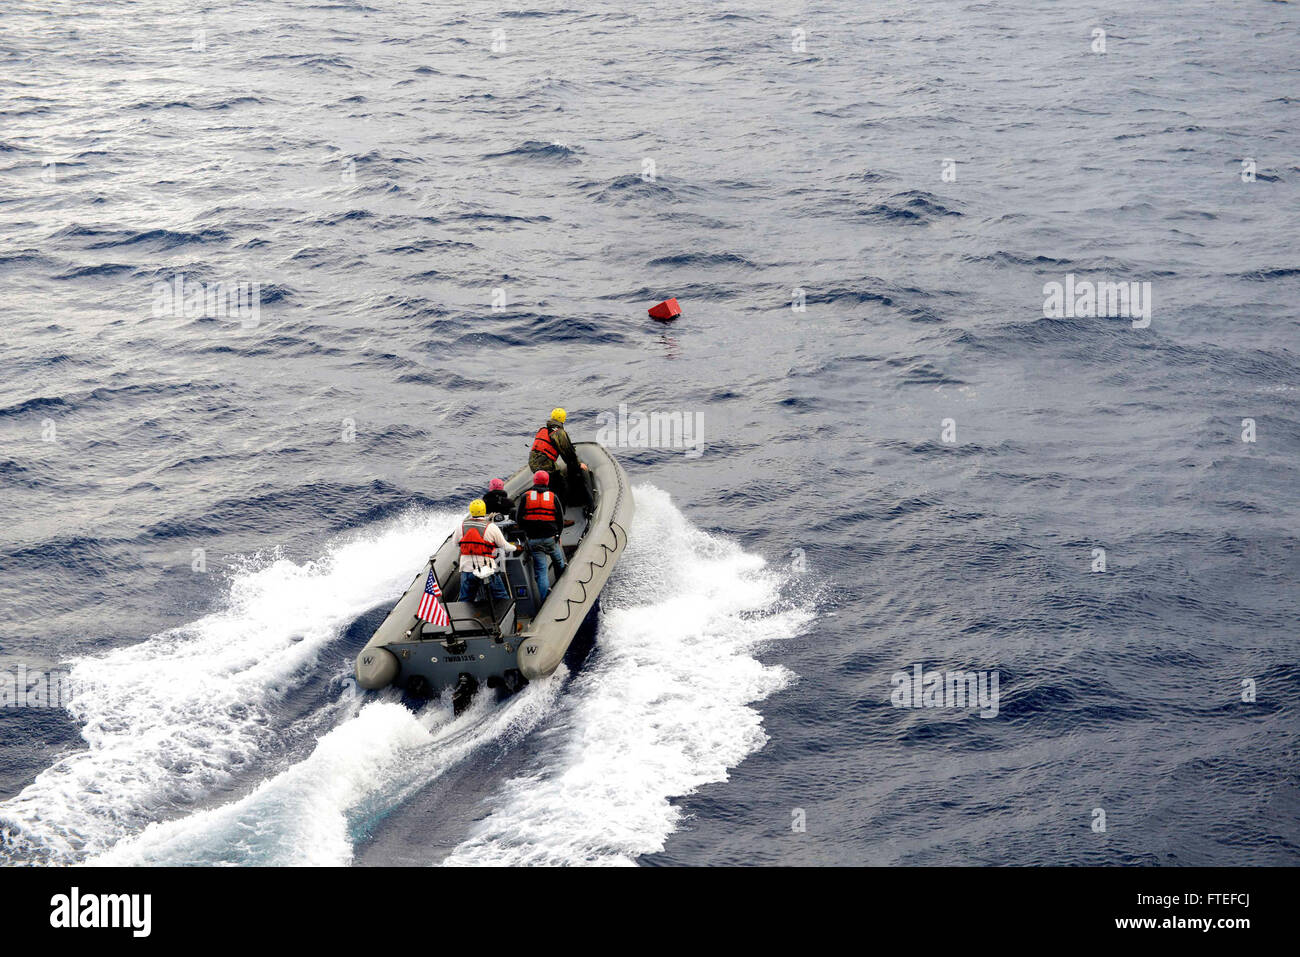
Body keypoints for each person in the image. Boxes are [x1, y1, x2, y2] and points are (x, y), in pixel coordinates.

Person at [515, 470, 566, 601]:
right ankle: (563, 587)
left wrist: (526, 532)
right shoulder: (552, 497)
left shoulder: (526, 497)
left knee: (541, 571)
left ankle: (545, 600)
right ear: (547, 482)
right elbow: (560, 520)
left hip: (533, 540)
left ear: (534, 481)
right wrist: (558, 535)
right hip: (550, 539)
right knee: (559, 562)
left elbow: (519, 519)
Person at [455, 499, 518, 602]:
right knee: (501, 596)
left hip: (466, 568)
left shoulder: (460, 526)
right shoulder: (491, 527)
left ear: (471, 511)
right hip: (487, 568)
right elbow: (504, 546)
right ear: (484, 510)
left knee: (465, 599)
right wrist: (515, 547)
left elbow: (456, 543)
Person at [527, 407, 590, 509]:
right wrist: (578, 465)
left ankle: (540, 507)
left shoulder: (543, 429)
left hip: (533, 462)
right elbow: (568, 453)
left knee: (546, 485)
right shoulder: (559, 433)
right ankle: (558, 513)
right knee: (560, 487)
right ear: (563, 419)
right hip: (545, 464)